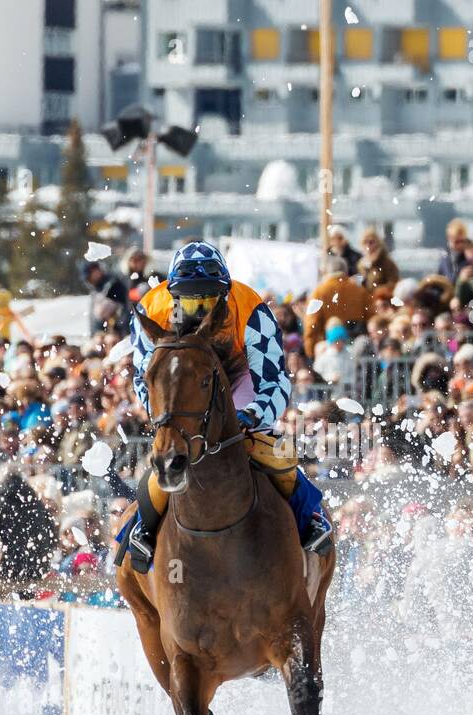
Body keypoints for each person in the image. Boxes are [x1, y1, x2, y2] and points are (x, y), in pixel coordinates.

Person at [125, 240, 332, 570]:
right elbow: (144, 377)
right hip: (181, 394)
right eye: (192, 301)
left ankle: (311, 520)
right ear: (174, 295)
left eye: (208, 298)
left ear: (224, 292)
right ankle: (140, 530)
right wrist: (165, 419)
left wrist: (253, 414)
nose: (201, 310)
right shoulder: (153, 309)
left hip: (239, 384)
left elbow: (275, 380)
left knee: (270, 450)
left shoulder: (250, 308)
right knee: (163, 462)